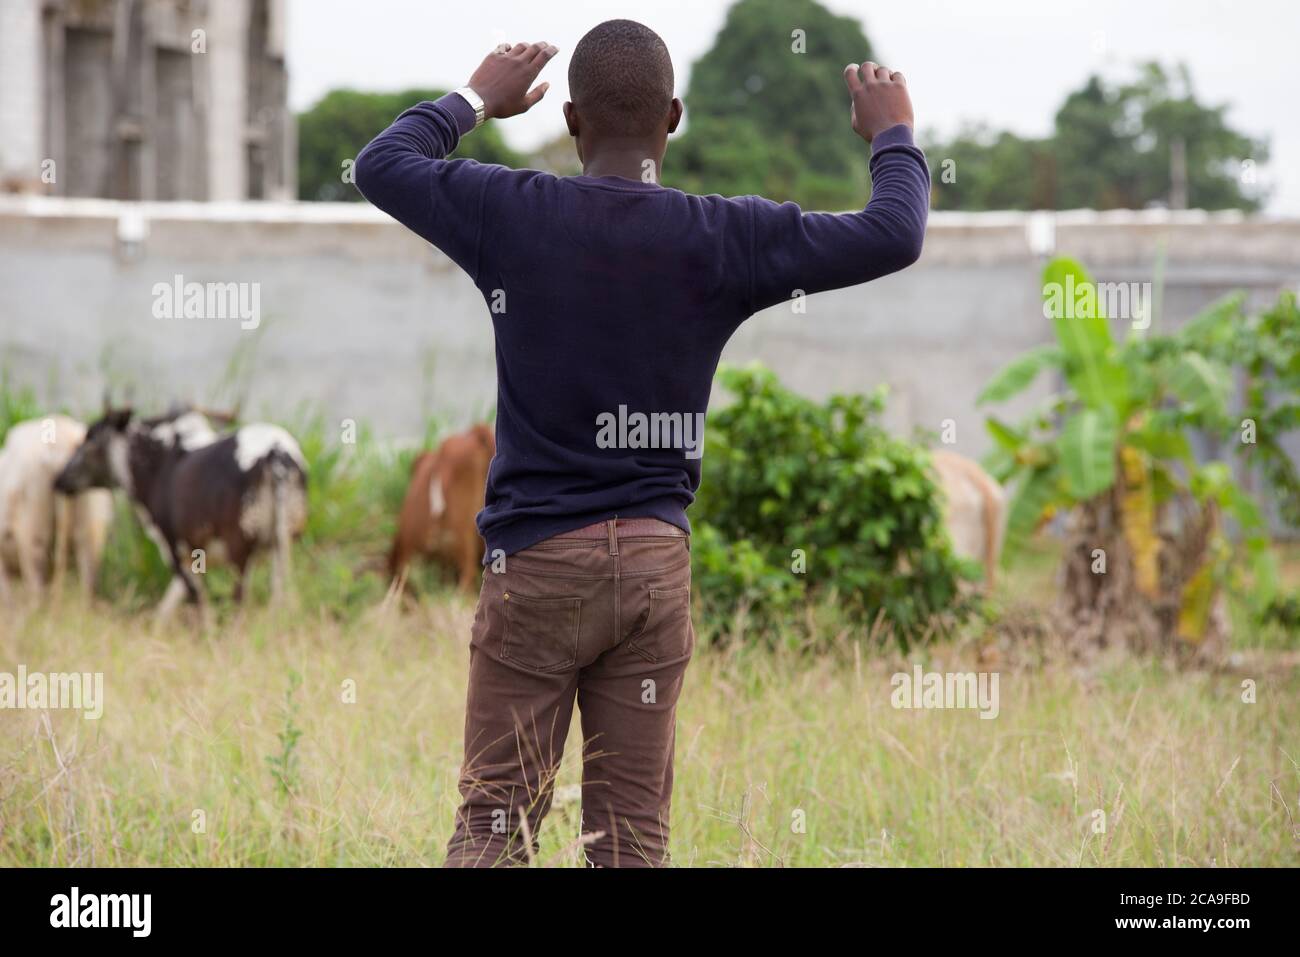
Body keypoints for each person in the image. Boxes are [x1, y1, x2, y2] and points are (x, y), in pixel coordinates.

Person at [355, 18, 926, 867]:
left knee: (494, 828)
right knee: (629, 844)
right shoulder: (726, 236)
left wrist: (476, 97)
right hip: (655, 570)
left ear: (572, 120)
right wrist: (894, 137)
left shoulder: (510, 211)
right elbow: (894, 231)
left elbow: (382, 166)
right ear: (676, 118)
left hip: (536, 565)